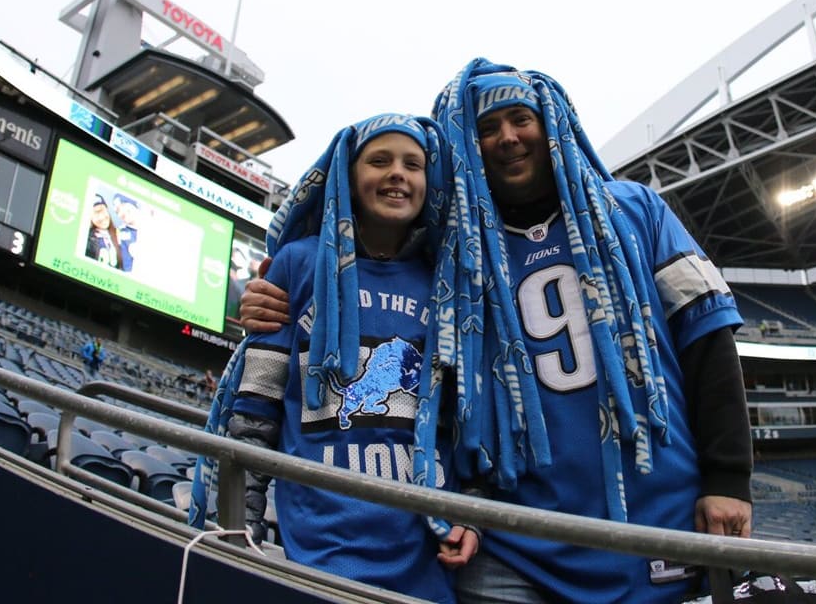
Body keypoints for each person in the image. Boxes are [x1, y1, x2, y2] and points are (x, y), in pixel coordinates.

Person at [241, 60, 753, 602]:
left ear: (551, 122)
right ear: (467, 144)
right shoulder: (453, 251)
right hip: (514, 545)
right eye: (487, 128)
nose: (507, 137)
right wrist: (274, 291)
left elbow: (708, 336)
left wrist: (727, 478)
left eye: (520, 119)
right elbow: (372, 268)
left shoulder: (637, 210)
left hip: (655, 524)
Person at [191, 114, 477, 602]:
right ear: (347, 174)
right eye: (379, 160)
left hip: (426, 553)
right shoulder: (299, 263)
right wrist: (243, 522)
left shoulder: (446, 281)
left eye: (413, 164)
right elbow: (256, 405)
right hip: (320, 547)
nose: (397, 174)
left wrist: (472, 507)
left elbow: (466, 414)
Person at [84, 195, 123, 269]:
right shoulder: (87, 239)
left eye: (102, 210)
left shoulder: (120, 235)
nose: (101, 217)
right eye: (95, 213)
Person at [110, 193, 141, 273]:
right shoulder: (121, 233)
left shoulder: (155, 221)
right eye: (117, 211)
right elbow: (126, 265)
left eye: (123, 206)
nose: (121, 213)